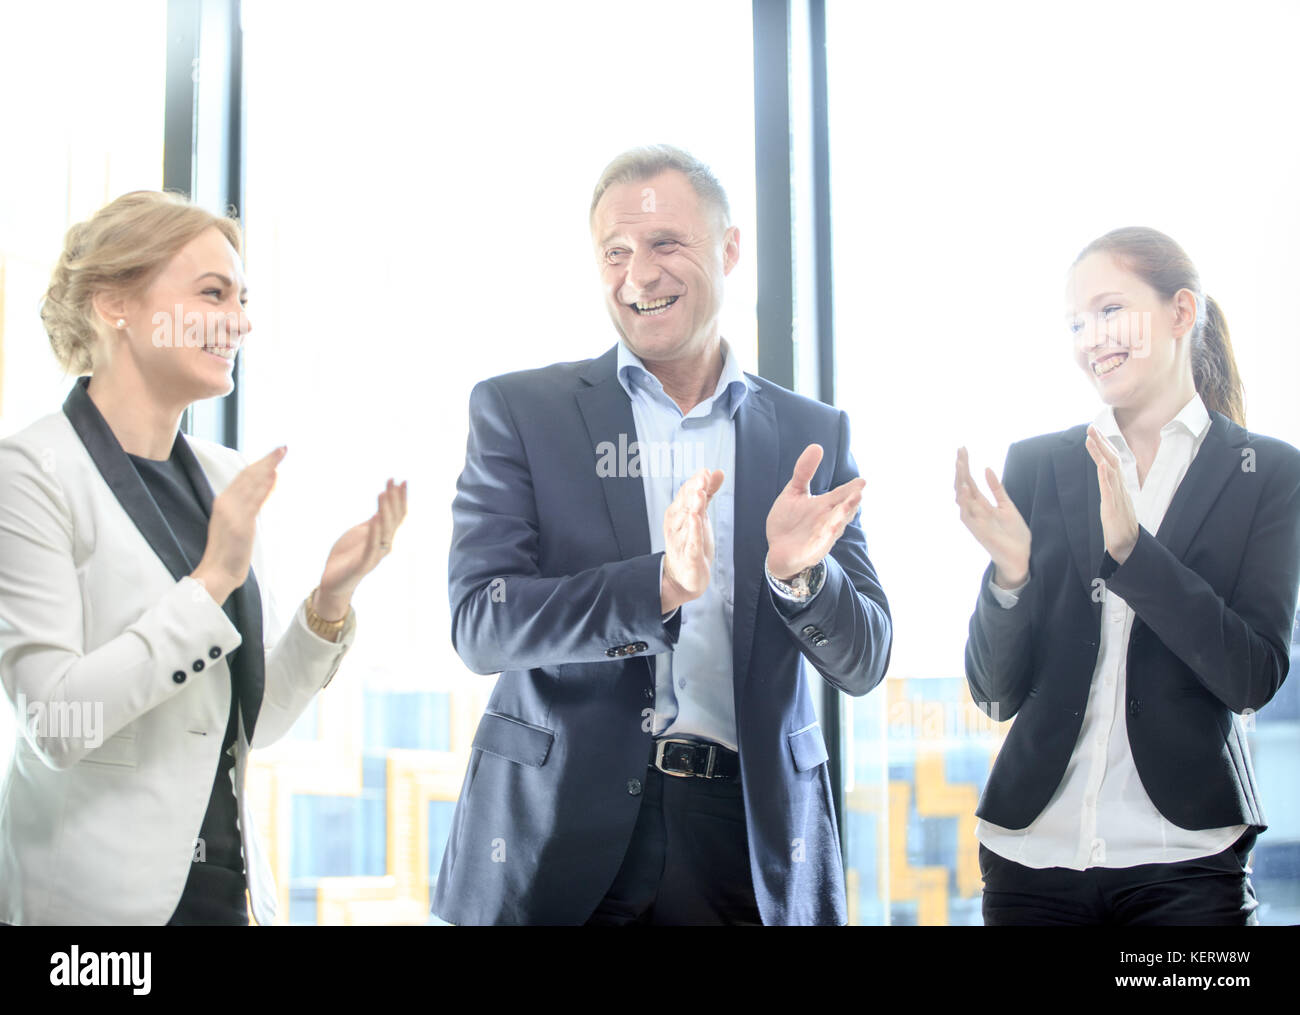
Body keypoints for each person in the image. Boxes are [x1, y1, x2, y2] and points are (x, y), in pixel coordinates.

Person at [432, 145, 892, 926]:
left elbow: (864, 659)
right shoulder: (521, 412)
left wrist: (800, 577)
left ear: (730, 248)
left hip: (747, 843)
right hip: (554, 837)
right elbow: (481, 622)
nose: (638, 275)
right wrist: (658, 588)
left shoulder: (811, 433)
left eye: (666, 244)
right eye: (616, 252)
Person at [0, 191, 408, 925]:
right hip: (93, 913)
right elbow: (56, 719)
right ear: (114, 303)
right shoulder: (30, 472)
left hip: (228, 897)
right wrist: (213, 578)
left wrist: (330, 602)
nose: (242, 320)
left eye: (244, 298)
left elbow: (258, 720)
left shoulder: (221, 475)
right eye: (214, 293)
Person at [956, 225, 1300, 925]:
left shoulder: (1266, 473)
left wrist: (1135, 555)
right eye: (1076, 322)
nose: (1091, 337)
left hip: (1184, 864)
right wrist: (1011, 576)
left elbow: (1252, 676)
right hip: (1031, 858)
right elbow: (995, 694)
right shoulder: (1039, 465)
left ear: (1181, 312)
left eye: (1110, 310)